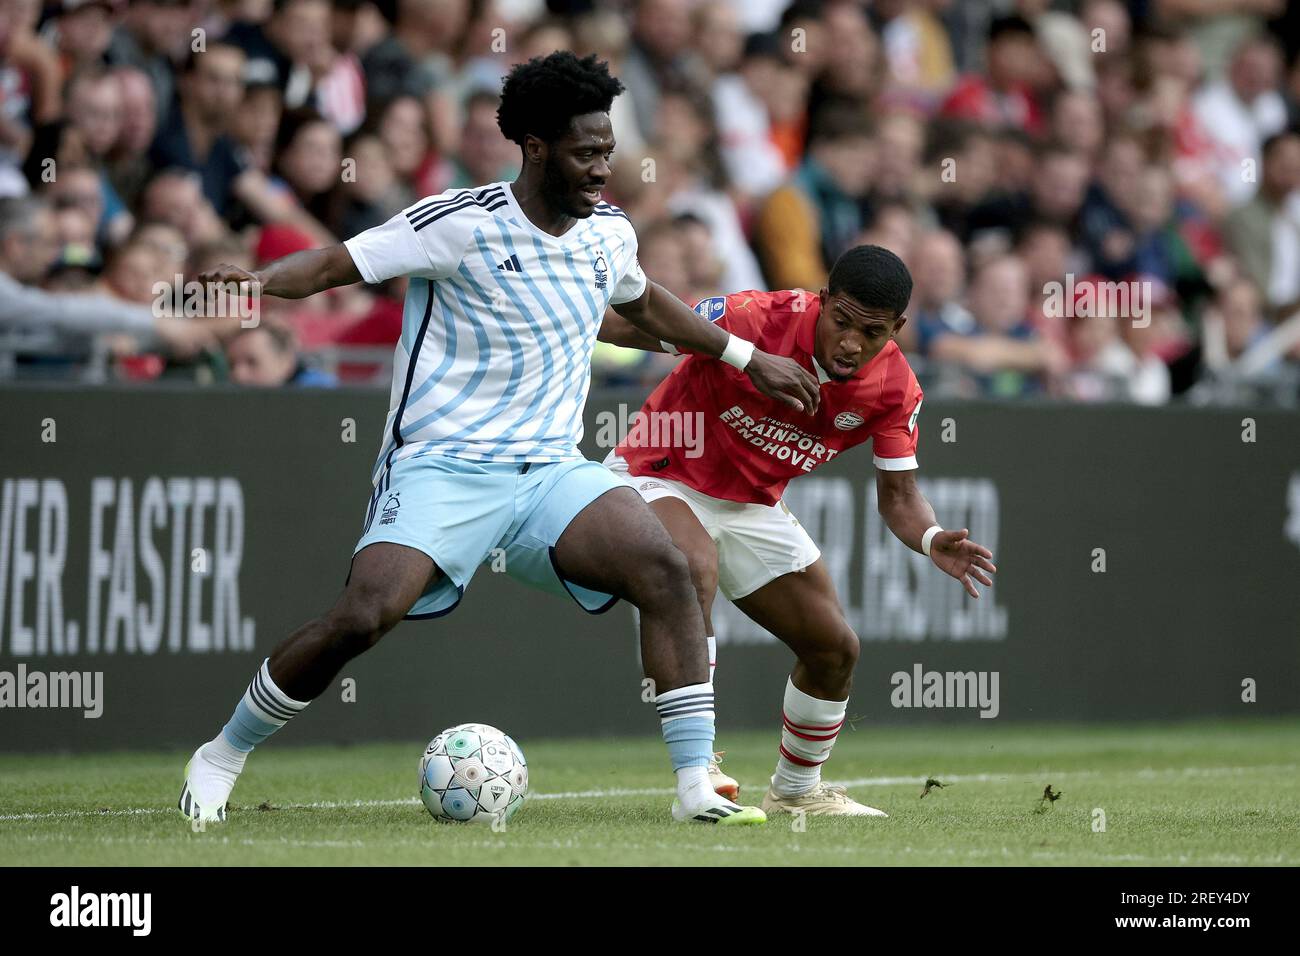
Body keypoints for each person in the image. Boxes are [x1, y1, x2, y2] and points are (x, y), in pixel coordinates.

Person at [179, 51, 821, 827]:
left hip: (549, 470)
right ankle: (221, 754)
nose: (602, 168)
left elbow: (646, 304)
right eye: (587, 152)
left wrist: (749, 360)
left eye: (609, 151)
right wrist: (246, 284)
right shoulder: (459, 223)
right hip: (441, 466)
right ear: (537, 146)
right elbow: (331, 267)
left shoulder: (607, 233)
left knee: (669, 566)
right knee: (365, 616)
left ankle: (695, 786)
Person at [596, 245, 997, 817]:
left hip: (752, 506)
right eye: (842, 322)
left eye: (873, 332)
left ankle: (795, 794)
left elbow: (900, 498)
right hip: (661, 473)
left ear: (898, 328)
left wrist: (932, 539)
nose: (851, 343)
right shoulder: (757, 317)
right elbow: (639, 322)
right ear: (823, 300)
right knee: (693, 565)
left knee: (834, 649)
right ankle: (699, 765)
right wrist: (566, 319)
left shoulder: (895, 389)